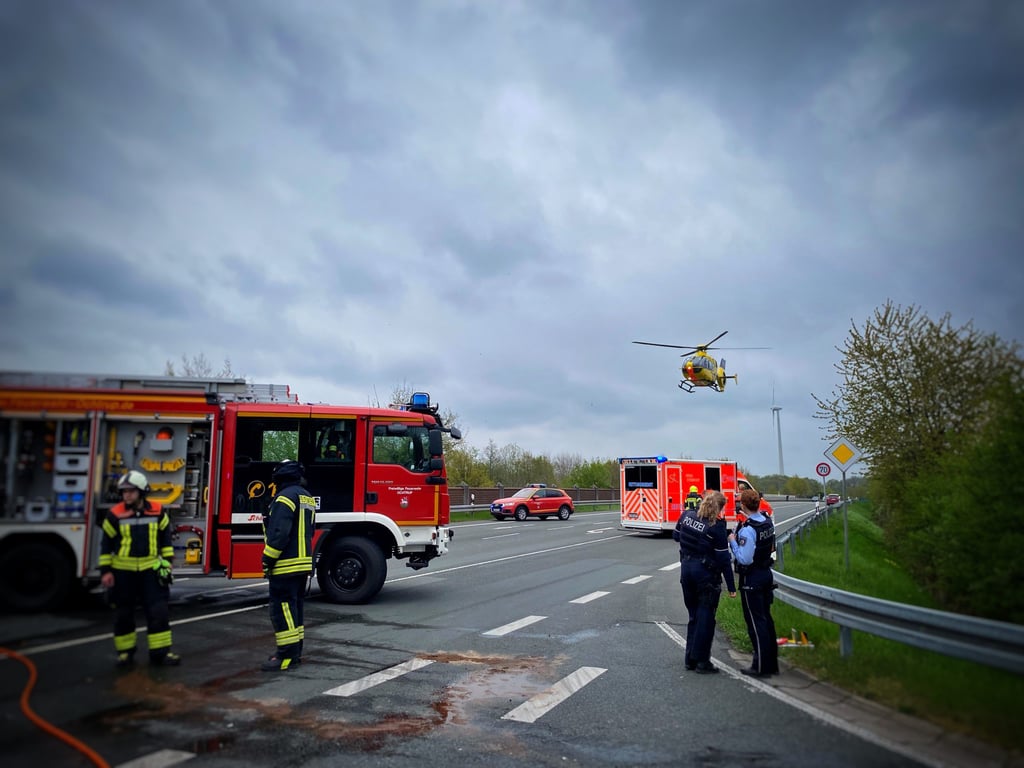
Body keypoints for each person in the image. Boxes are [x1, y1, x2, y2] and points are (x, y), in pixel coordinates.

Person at [98, 470, 180, 668]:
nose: (127, 495)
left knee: (158, 612)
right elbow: (106, 544)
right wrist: (106, 571)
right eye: (124, 492)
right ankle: (125, 654)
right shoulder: (115, 514)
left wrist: (167, 561)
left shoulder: (158, 512)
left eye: (131, 491)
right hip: (123, 573)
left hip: (150, 570)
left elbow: (166, 538)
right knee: (123, 615)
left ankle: (160, 653)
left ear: (142, 491)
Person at [673, 490, 736, 674]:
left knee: (693, 616)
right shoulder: (716, 527)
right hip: (706, 576)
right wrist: (731, 587)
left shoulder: (686, 515)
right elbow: (724, 560)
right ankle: (702, 662)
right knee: (706, 618)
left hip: (686, 571)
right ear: (719, 508)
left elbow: (676, 536)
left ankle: (690, 659)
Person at [261, 459, 316, 671]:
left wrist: (267, 559)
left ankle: (285, 657)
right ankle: (295, 653)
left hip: (285, 564)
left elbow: (279, 534)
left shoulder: (284, 498)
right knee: (295, 609)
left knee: (281, 610)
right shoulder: (306, 497)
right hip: (302, 564)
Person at [728, 488, 779, 678]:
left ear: (743, 505)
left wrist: (733, 541)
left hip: (752, 578)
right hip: (766, 574)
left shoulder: (749, 529)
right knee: (766, 619)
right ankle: (771, 662)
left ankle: (761, 666)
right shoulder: (766, 522)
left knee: (756, 623)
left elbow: (744, 558)